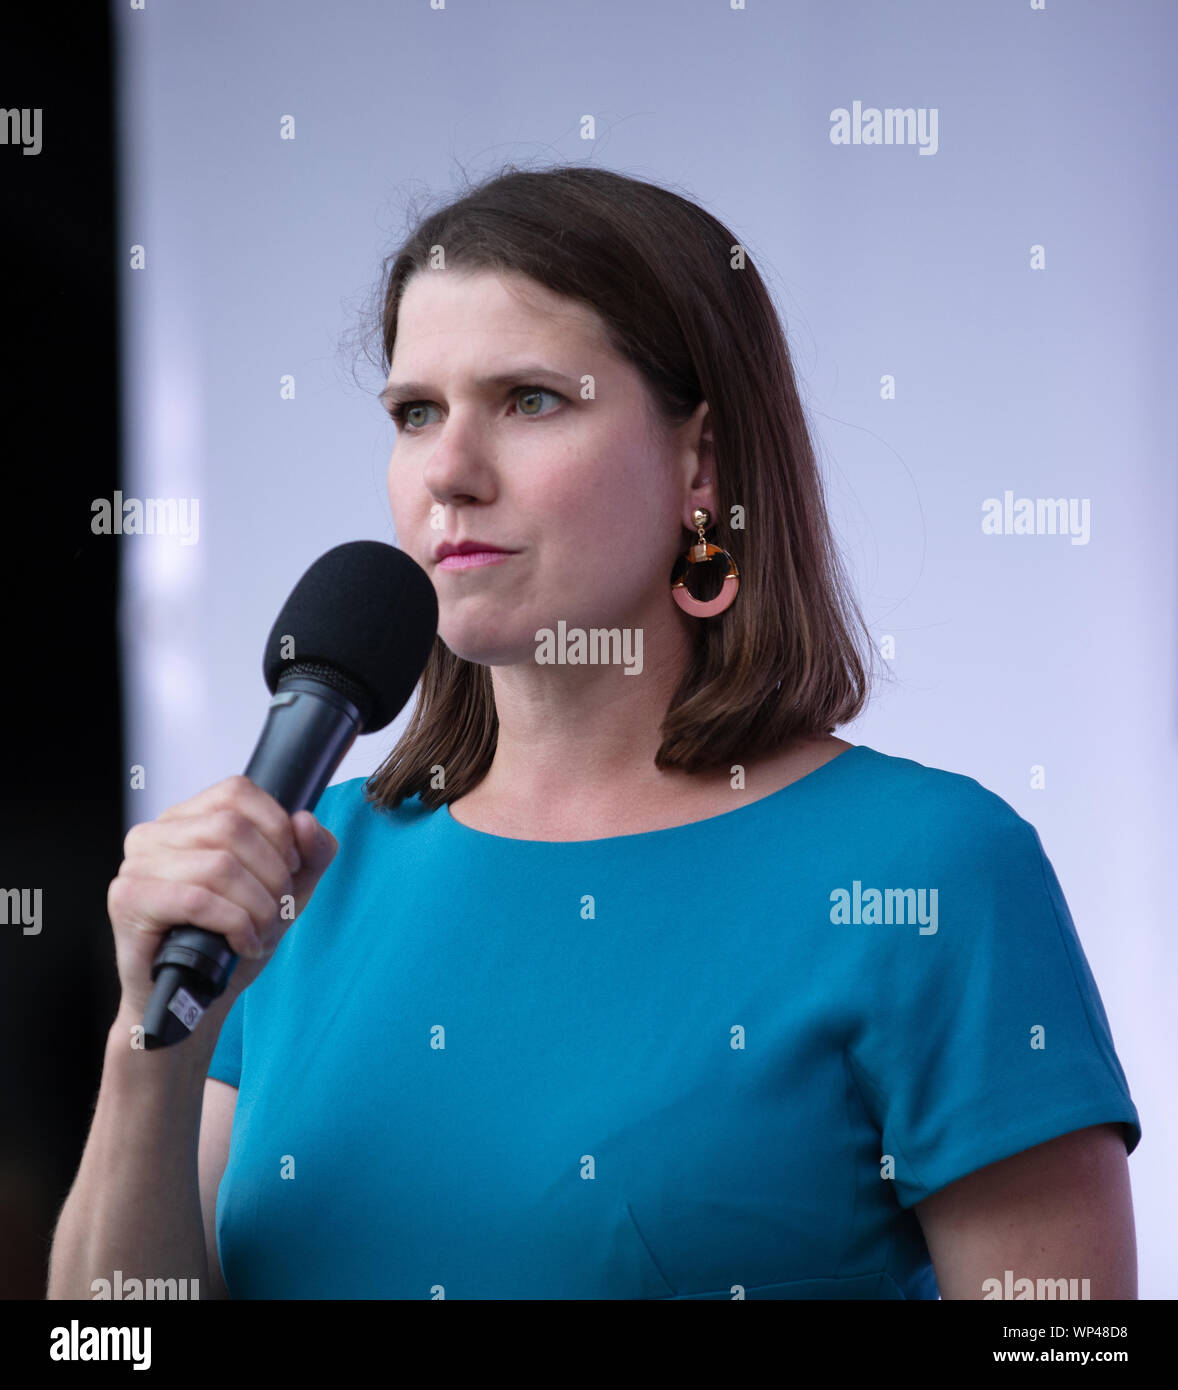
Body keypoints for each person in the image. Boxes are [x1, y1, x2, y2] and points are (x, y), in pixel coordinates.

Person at [48, 164, 1140, 1301]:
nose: (448, 473)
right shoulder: (296, 866)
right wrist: (150, 1042)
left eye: (530, 400)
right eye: (415, 412)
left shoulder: (929, 868)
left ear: (698, 462)